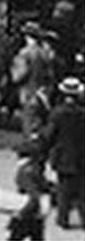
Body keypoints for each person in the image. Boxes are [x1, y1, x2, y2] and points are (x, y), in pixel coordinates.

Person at [42, 77, 84, 230]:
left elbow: (49, 135)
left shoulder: (57, 113)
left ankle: (63, 219)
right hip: (81, 156)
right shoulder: (82, 113)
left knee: (64, 190)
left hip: (63, 156)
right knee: (81, 190)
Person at [6, 137, 49, 241]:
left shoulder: (24, 173)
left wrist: (22, 213)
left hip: (27, 213)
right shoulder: (36, 167)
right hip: (37, 215)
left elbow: (34, 195)